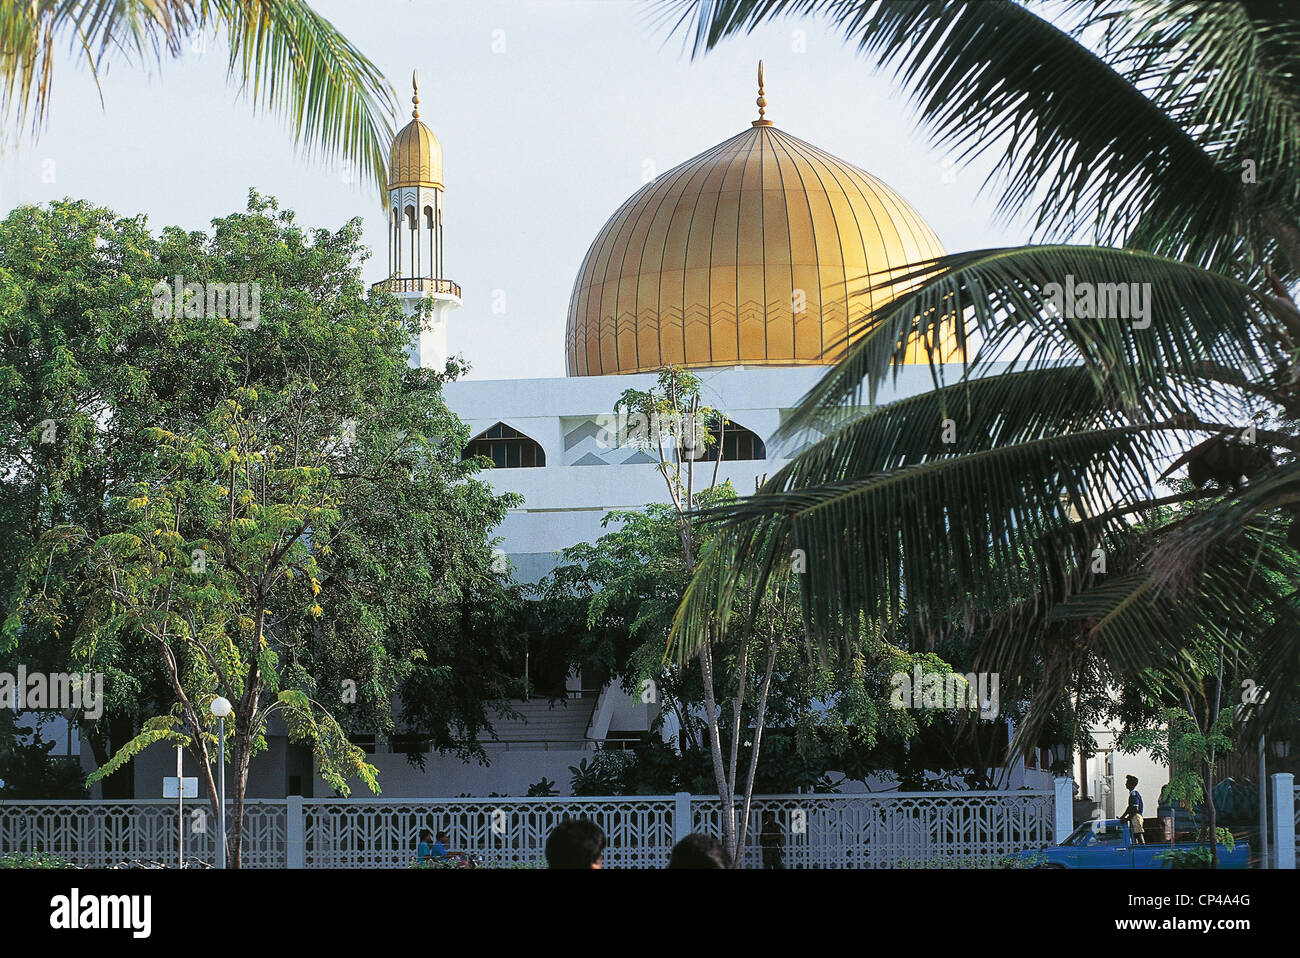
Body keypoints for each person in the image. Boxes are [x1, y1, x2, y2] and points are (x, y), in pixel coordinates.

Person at [1122, 775, 1145, 844]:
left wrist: (1127, 818)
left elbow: (1135, 808)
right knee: (1134, 834)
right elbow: (1129, 807)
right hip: (1134, 816)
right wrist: (1123, 816)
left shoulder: (1134, 794)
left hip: (1135, 816)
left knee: (1138, 833)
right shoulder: (1132, 794)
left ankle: (1143, 847)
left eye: (1127, 782)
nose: (1125, 784)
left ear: (1131, 784)